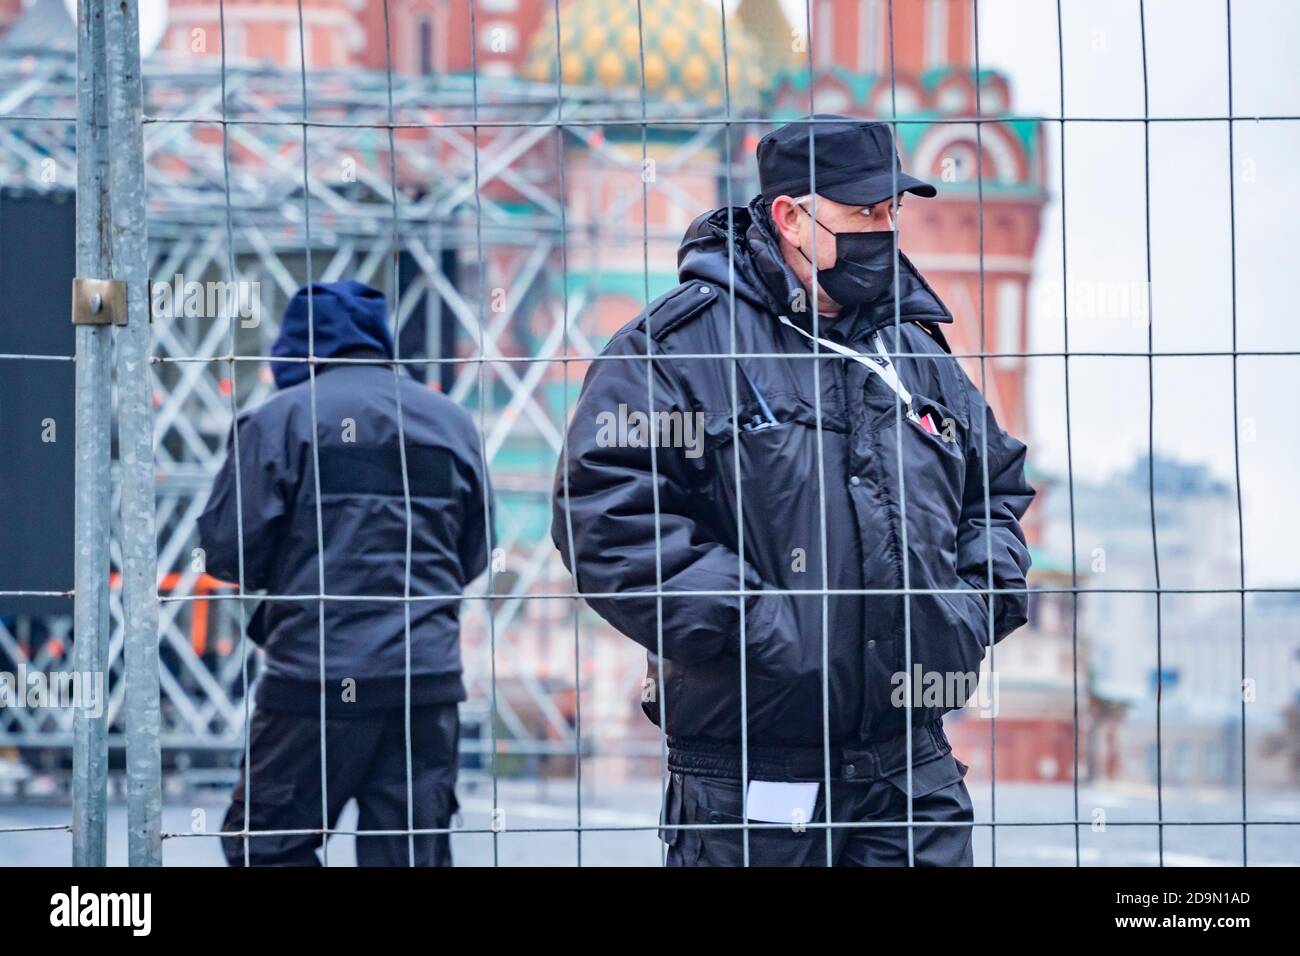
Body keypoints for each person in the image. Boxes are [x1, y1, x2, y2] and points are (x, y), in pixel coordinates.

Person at [551, 116, 1035, 866]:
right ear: (791, 216)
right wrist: (763, 630)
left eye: (890, 212)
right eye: (862, 213)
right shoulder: (680, 349)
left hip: (912, 774)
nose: (884, 230)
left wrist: (966, 609)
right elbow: (604, 514)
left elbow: (994, 491)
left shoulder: (914, 353)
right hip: (751, 774)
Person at [198, 280, 493, 866]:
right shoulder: (452, 422)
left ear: (296, 346)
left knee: (268, 845)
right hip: (424, 681)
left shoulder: (280, 420)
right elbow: (474, 555)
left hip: (314, 676)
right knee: (408, 855)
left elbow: (227, 552)